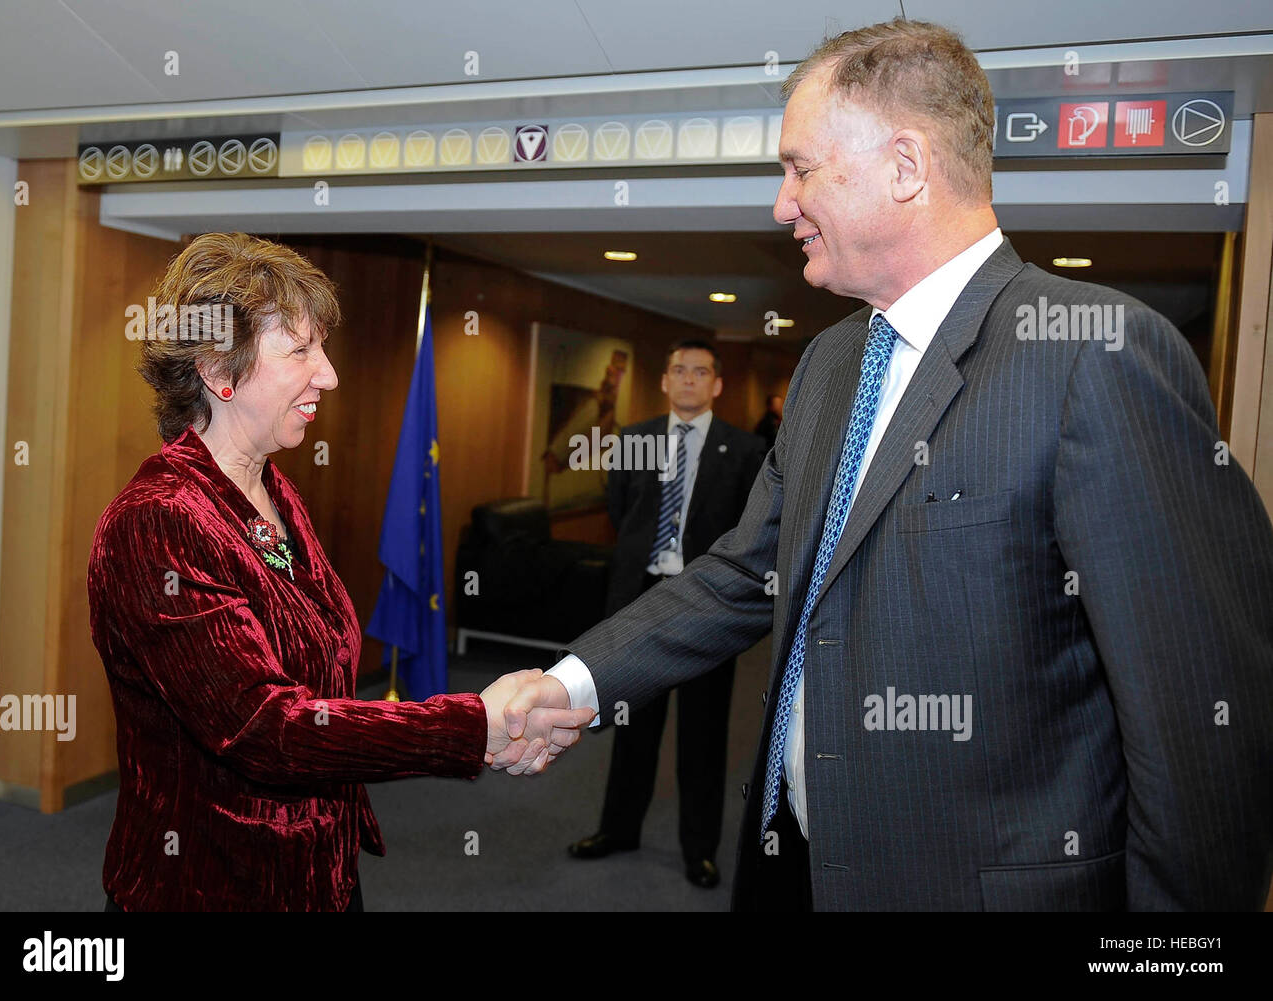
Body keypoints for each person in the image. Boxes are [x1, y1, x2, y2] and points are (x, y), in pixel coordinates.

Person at [494, 19, 1273, 911]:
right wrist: (571, 683)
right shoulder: (829, 365)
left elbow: (1204, 734)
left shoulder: (1094, 355)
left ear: (906, 166)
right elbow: (746, 575)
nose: (781, 205)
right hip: (799, 870)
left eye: (800, 168)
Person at [88, 233, 592, 912]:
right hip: (211, 885)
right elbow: (267, 729)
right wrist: (469, 727)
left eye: (321, 347)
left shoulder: (275, 491)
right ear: (217, 368)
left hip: (320, 872)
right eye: (300, 350)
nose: (327, 374)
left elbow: (318, 677)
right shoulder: (159, 521)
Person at [567, 340, 765, 888]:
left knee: (703, 735)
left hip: (709, 605)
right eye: (678, 370)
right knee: (633, 726)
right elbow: (619, 510)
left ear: (716, 384)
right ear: (664, 380)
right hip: (641, 599)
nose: (688, 381)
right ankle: (617, 829)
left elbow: (748, 533)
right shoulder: (632, 441)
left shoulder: (745, 451)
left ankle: (700, 849)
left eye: (700, 373)